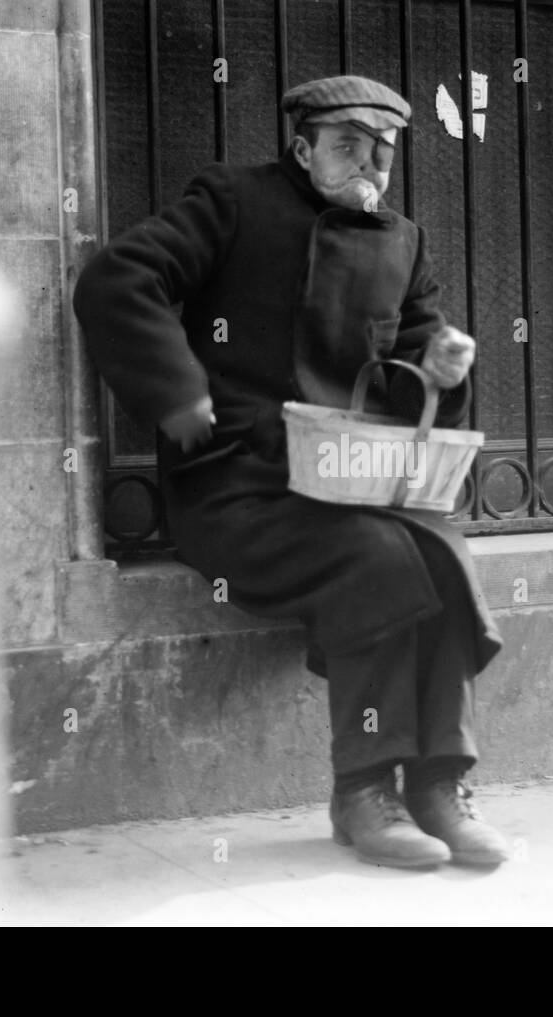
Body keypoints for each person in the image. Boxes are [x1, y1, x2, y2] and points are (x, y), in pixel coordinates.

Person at [73, 74, 509, 868]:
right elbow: (120, 277)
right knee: (375, 557)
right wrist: (177, 392)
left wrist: (444, 366)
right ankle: (364, 791)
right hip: (236, 483)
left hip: (345, 481)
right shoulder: (234, 202)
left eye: (380, 151)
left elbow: (417, 358)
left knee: (444, 553)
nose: (367, 165)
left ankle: (439, 785)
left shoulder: (403, 240)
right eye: (347, 146)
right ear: (303, 147)